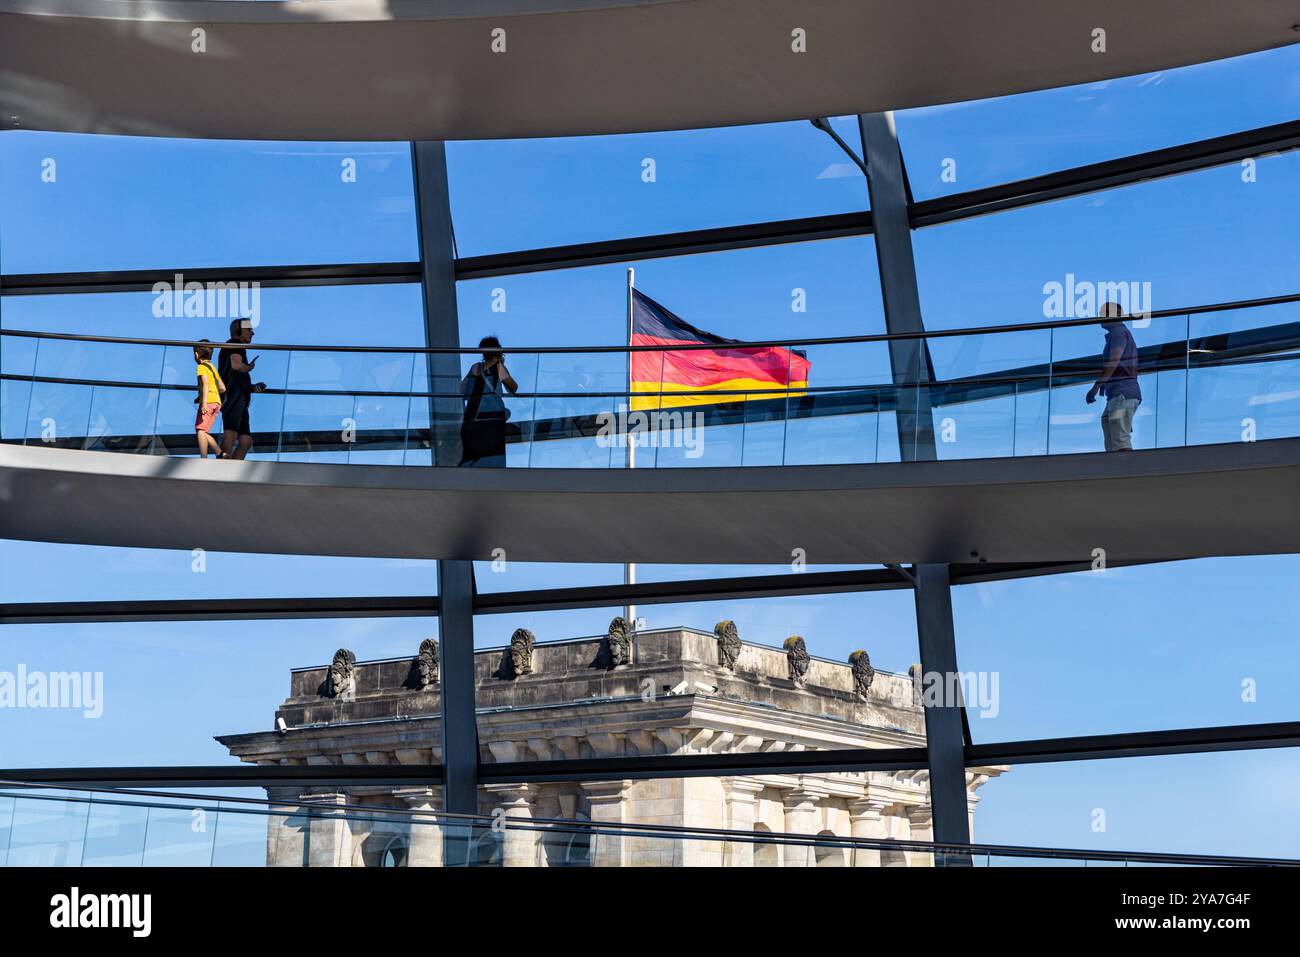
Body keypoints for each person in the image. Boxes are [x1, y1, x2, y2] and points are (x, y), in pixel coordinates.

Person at [1085, 301, 1142, 452]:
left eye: (1105, 313)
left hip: (1122, 393)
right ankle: (1116, 467)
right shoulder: (1117, 334)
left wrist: (1096, 387)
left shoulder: (1118, 332)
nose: (1101, 317)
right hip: (1118, 394)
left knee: (1120, 439)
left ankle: (1126, 471)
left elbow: (1113, 362)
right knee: (1111, 432)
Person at [459, 335, 518, 467]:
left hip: (472, 418)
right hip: (492, 418)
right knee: (493, 457)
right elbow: (513, 388)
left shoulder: (476, 367)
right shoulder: (499, 368)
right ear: (498, 351)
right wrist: (502, 365)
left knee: (472, 455)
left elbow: (462, 388)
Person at [218, 318, 267, 460]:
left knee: (246, 441)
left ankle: (230, 471)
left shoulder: (237, 345)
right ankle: (220, 469)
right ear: (238, 331)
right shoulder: (235, 343)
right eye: (249, 329)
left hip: (239, 397)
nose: (252, 333)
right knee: (231, 434)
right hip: (233, 396)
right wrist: (250, 367)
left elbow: (237, 374)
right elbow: (236, 365)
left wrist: (251, 387)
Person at [193, 340, 226, 459]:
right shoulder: (212, 367)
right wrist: (201, 396)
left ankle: (204, 457)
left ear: (196, 354)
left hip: (208, 402)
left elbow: (205, 384)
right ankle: (219, 453)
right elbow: (222, 388)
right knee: (204, 431)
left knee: (200, 430)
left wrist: (204, 402)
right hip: (217, 403)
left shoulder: (201, 367)